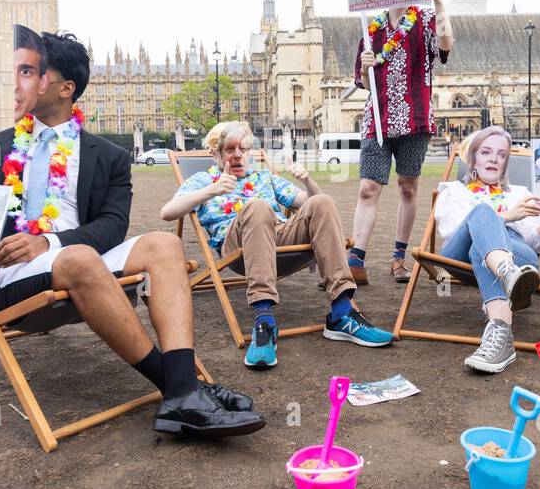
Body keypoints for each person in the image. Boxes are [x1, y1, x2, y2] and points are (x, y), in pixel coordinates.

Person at [0, 24, 263, 439]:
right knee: (80, 259)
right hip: (12, 271)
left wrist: (51, 240)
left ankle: (182, 394)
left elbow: (112, 227)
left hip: (77, 252)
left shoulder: (109, 156)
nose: (21, 82)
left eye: (32, 73)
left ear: (64, 88)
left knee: (165, 244)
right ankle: (183, 390)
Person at [161, 120, 392, 369]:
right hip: (237, 248)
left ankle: (342, 313)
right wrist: (212, 190)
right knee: (257, 207)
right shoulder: (202, 180)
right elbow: (168, 212)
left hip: (280, 238)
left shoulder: (264, 178)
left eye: (243, 149)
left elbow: (311, 204)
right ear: (216, 153)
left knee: (322, 201)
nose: (238, 155)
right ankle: (264, 321)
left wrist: (308, 181)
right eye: (230, 150)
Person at [434, 126, 540, 373]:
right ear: (473, 157)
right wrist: (505, 216)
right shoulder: (453, 190)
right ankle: (508, 274)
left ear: (506, 162)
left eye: (501, 154)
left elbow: (535, 244)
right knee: (483, 213)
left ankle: (501, 334)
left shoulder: (521, 194)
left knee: (481, 249)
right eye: (485, 152)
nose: (493, 158)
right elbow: (452, 230)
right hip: (459, 254)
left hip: (516, 251)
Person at [349, 0, 453, 284]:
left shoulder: (422, 20)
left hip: (415, 119)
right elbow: (365, 83)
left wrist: (438, 0)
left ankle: (398, 258)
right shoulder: (371, 31)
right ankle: (356, 260)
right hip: (377, 120)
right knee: (369, 187)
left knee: (408, 187)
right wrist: (367, 68)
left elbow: (446, 44)